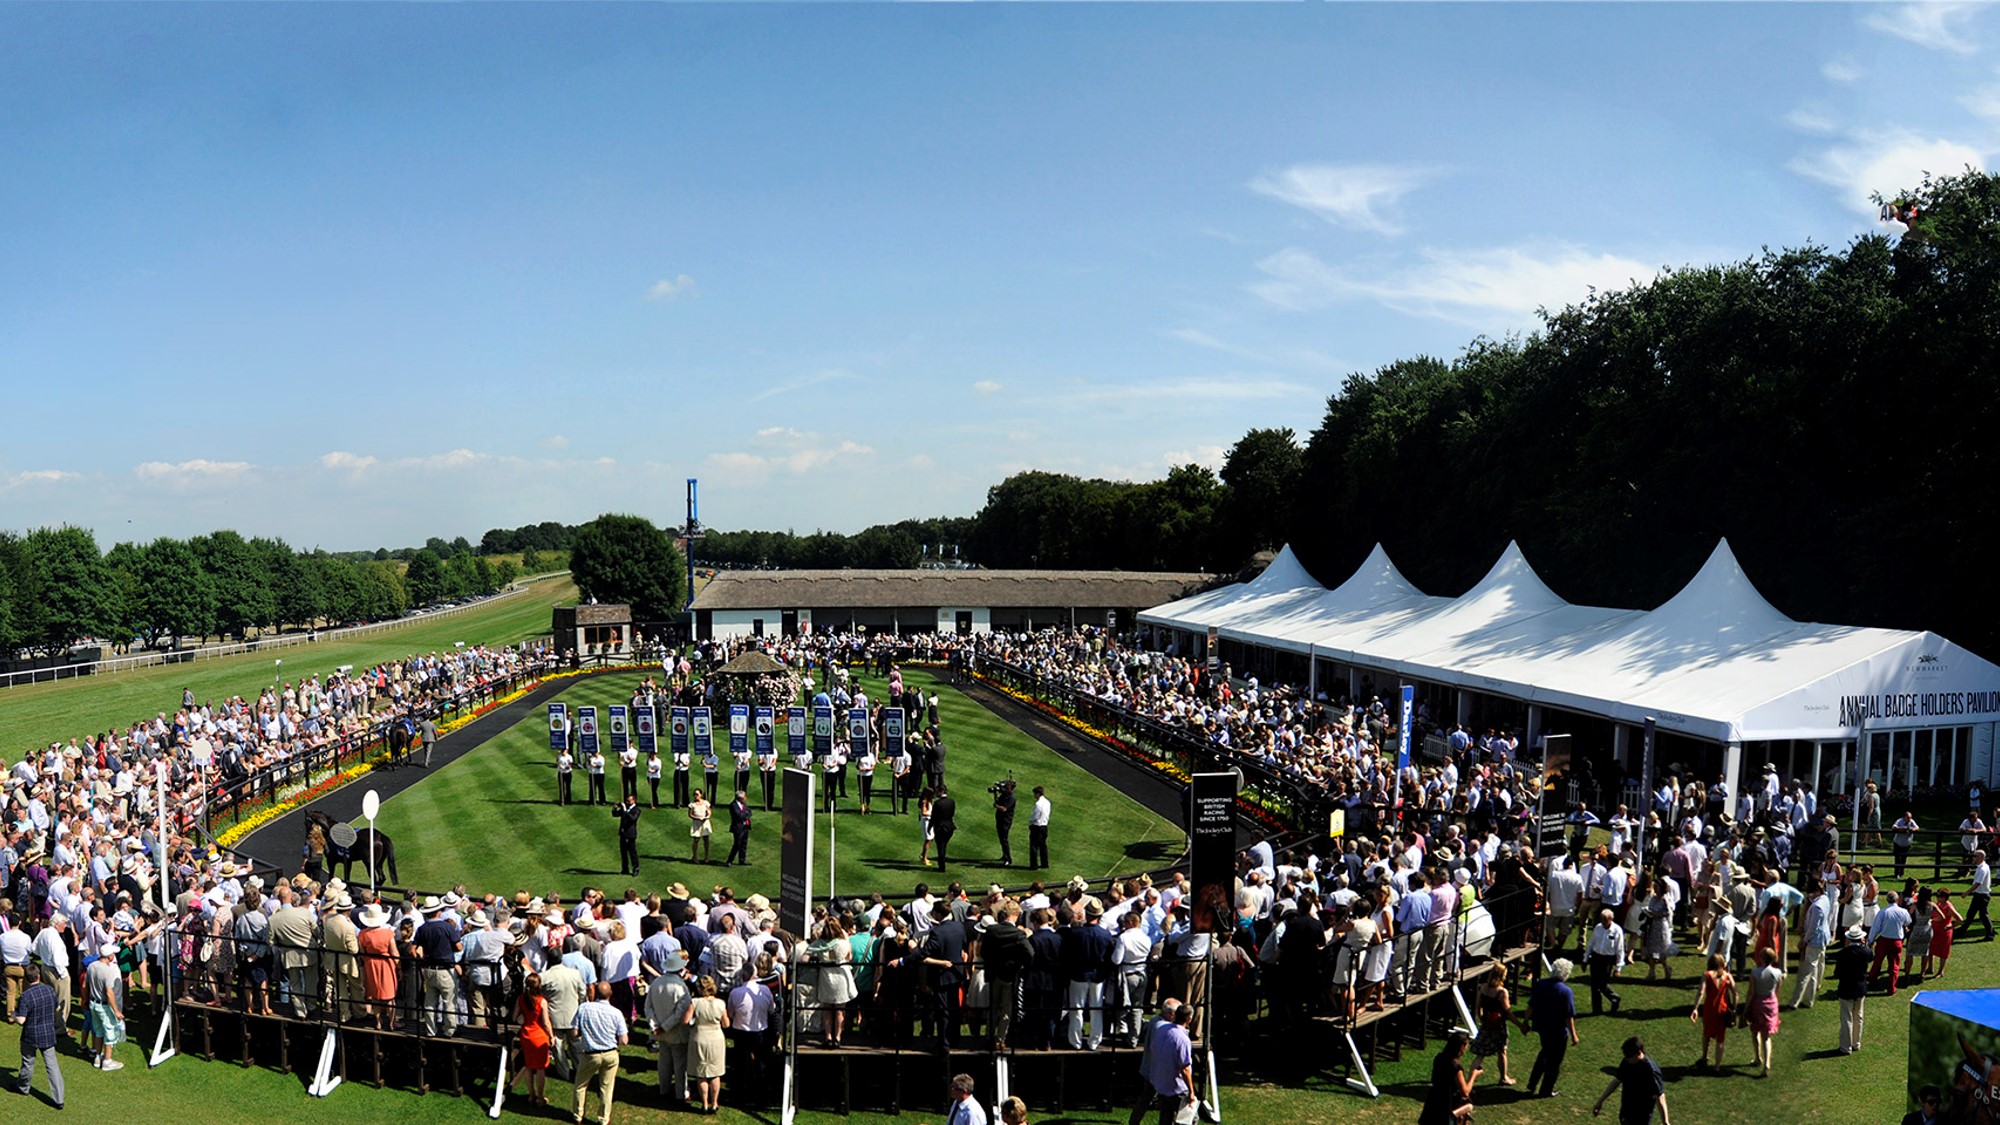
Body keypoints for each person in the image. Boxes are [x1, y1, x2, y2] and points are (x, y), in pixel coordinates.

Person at [570, 981, 628, 1125]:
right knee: (606, 1088)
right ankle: (604, 1119)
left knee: (580, 1086)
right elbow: (624, 1040)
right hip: (610, 1054)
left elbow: (574, 1032)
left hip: (590, 1054)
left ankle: (578, 1116)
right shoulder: (616, 1013)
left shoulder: (583, 1008)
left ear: (595, 993)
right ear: (610, 994)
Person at [1523, 957, 1579, 1098]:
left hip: (1542, 1027)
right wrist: (1574, 1035)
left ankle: (1532, 1082)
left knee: (1544, 1053)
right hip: (1558, 1031)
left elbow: (1531, 1006)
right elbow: (1568, 1016)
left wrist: (1525, 1022)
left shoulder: (1541, 984)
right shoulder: (1565, 991)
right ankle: (1546, 1089)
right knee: (1554, 1062)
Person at [11, 964, 63, 1109]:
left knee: (28, 1063)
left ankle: (23, 1087)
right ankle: (59, 1099)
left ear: (27, 979)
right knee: (52, 1066)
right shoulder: (49, 990)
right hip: (48, 1033)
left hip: (30, 1035)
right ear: (38, 976)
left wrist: (14, 1015)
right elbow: (57, 1008)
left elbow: (21, 1020)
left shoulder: (26, 996)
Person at [645, 950, 692, 1103]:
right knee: (679, 1064)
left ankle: (663, 1089)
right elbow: (680, 1013)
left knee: (664, 1061)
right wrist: (664, 1027)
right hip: (675, 1032)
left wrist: (655, 1025)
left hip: (660, 1031)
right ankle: (681, 1092)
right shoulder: (681, 987)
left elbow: (648, 1008)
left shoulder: (655, 983)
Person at [1593, 1035, 1669, 1125]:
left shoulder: (1651, 1071)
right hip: (1626, 1111)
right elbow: (1617, 1081)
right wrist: (1600, 1101)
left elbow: (1660, 1096)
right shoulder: (1626, 1062)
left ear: (1638, 1053)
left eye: (1629, 1056)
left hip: (1642, 1116)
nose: (1626, 1059)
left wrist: (1665, 1121)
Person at [684, 974, 730, 1114]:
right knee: (715, 1074)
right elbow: (726, 1024)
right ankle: (715, 1103)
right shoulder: (721, 1003)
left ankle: (704, 1104)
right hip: (716, 1038)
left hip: (699, 1037)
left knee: (701, 1074)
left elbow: (685, 1020)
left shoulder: (695, 1002)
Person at [509, 969, 555, 1106]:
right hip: (539, 1037)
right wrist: (551, 1036)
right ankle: (540, 1098)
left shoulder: (521, 999)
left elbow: (514, 1017)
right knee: (540, 1068)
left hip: (526, 1036)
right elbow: (546, 1022)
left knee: (528, 1066)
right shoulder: (542, 1001)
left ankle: (531, 1095)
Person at [1144, 1003, 1195, 1125]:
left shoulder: (1161, 1030)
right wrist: (1191, 1091)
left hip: (1161, 1083)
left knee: (1165, 1118)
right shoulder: (1182, 1039)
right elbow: (1185, 1068)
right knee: (1189, 1119)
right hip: (1177, 1088)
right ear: (1189, 1019)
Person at [1417, 1028, 1477, 1125]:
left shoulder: (1439, 1058)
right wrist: (1473, 1075)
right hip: (1447, 1102)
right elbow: (1465, 1092)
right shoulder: (1455, 1066)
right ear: (1461, 1046)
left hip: (1434, 1098)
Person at [1469, 961, 1515, 1085]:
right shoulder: (1502, 992)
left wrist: (1482, 1018)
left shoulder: (1483, 988)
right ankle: (1503, 1077)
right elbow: (1508, 1012)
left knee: (1480, 1054)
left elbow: (1478, 1007)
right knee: (1502, 1051)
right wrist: (1520, 1025)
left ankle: (1469, 1079)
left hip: (1487, 1024)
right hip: (1498, 1026)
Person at [357, 901, 400, 1029]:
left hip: (371, 964)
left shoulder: (363, 934)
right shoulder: (388, 933)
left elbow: (362, 952)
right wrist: (399, 967)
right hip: (386, 964)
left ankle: (378, 1022)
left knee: (374, 994)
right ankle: (392, 1023)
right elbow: (395, 952)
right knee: (390, 995)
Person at [1691, 952, 1734, 1068]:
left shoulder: (1707, 975)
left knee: (1706, 1034)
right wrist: (1733, 1007)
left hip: (1710, 1009)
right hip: (1723, 1010)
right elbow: (1735, 993)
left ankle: (1704, 1057)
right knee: (1720, 1038)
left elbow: (1701, 992)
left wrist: (1695, 1008)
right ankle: (1717, 1066)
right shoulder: (1727, 976)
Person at [1745, 946, 1783, 1077]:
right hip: (1771, 1002)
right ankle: (1767, 1063)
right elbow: (1777, 990)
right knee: (1767, 1036)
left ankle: (1757, 1057)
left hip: (1757, 1003)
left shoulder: (1755, 972)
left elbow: (1751, 992)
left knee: (1755, 1031)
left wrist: (1746, 1008)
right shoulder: (1778, 973)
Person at [1834, 924, 1871, 1054]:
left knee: (1846, 1018)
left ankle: (1845, 1047)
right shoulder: (1866, 952)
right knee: (1858, 1017)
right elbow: (1870, 955)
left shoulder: (1842, 954)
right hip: (1860, 988)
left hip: (1845, 988)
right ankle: (1856, 1043)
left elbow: (1837, 973)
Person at [1585, 908, 1624, 1015]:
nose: (1602, 922)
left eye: (1605, 920)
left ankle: (1615, 997)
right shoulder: (1598, 928)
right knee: (1594, 985)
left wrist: (1618, 968)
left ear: (1610, 919)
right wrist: (1585, 959)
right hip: (1596, 957)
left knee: (1602, 984)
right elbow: (1591, 943)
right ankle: (1596, 1010)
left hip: (1607, 960)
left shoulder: (1617, 930)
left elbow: (1620, 950)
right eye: (1601, 919)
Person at [614, 793, 644, 876]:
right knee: (623, 852)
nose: (627, 802)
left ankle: (636, 868)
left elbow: (633, 819)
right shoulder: (626, 808)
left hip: (630, 834)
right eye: (627, 800)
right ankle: (625, 869)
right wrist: (615, 808)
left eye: (629, 800)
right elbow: (615, 814)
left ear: (634, 801)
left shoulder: (637, 809)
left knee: (632, 852)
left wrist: (625, 810)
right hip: (623, 833)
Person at [932, 785, 959, 874]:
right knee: (943, 846)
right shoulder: (952, 802)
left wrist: (929, 827)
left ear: (941, 792)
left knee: (941, 847)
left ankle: (942, 867)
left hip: (940, 827)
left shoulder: (937, 803)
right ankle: (942, 864)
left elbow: (934, 817)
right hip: (950, 826)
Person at [726, 790, 753, 867]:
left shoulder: (743, 804)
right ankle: (729, 860)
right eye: (744, 797)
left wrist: (746, 814)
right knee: (737, 844)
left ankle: (742, 860)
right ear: (740, 798)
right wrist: (746, 814)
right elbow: (739, 815)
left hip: (745, 827)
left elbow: (749, 812)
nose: (746, 799)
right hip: (738, 828)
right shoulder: (733, 805)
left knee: (744, 844)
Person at [1028, 786, 1051, 870]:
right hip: (1044, 826)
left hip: (1037, 826)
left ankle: (1034, 865)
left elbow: (1035, 816)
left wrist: (1030, 822)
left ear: (1038, 793)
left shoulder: (1038, 804)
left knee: (1034, 846)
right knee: (1043, 846)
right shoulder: (1047, 802)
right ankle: (1045, 863)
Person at [688, 790, 713, 864]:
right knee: (696, 840)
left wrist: (707, 817)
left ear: (701, 795)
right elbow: (690, 814)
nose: (696, 796)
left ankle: (706, 857)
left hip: (705, 823)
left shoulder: (705, 803)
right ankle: (695, 857)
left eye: (697, 794)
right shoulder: (692, 804)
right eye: (695, 794)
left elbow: (709, 812)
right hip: (696, 823)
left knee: (706, 840)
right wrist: (696, 818)